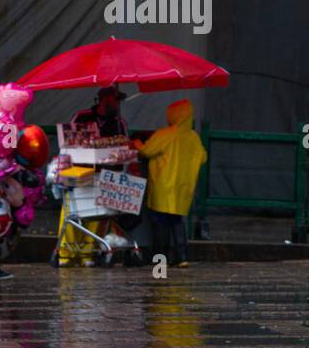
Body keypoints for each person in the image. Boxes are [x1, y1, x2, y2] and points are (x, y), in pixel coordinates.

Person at [57, 85, 129, 266]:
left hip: (104, 175)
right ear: (104, 100)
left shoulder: (119, 123)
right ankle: (66, 252)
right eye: (115, 100)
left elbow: (124, 149)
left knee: (96, 215)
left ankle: (88, 253)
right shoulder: (82, 117)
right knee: (72, 212)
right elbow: (68, 143)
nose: (117, 104)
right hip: (80, 172)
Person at [133, 99, 207, 267]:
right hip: (182, 187)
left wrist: (136, 143)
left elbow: (147, 151)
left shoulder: (165, 134)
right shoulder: (194, 137)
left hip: (163, 185)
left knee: (161, 221)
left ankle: (161, 259)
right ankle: (182, 256)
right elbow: (202, 157)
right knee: (176, 220)